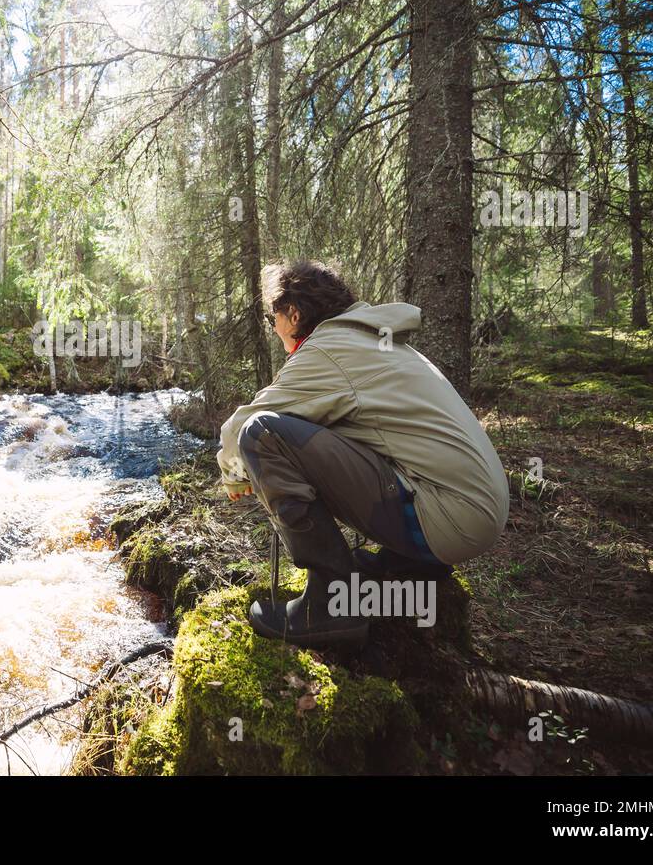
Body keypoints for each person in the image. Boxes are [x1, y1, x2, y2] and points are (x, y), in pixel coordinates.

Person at [217, 260, 510, 647]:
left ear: (294, 314)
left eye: (274, 319)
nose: (273, 330)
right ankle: (405, 567)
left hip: (449, 518)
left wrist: (235, 475)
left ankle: (331, 605)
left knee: (263, 433)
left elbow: (242, 427)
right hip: (477, 514)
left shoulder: (330, 350)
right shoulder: (369, 339)